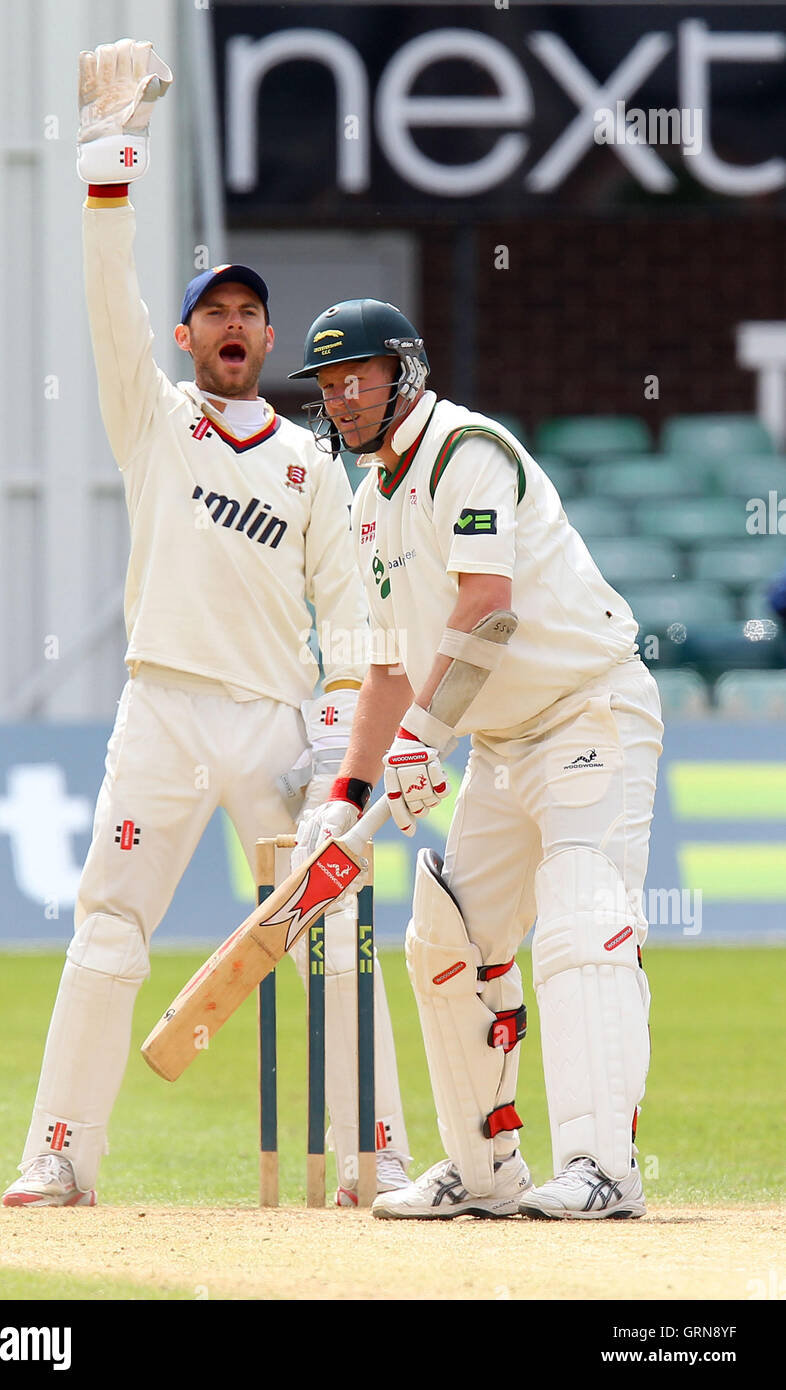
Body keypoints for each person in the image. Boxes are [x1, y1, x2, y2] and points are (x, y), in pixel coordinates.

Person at [1, 41, 410, 1209]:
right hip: (162, 709)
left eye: (249, 313)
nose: (231, 326)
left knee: (332, 928)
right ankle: (62, 1153)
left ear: (269, 342)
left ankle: (368, 1154)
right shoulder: (155, 420)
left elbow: (350, 602)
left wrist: (342, 729)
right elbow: (104, 291)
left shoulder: (307, 464)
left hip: (275, 725)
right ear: (187, 339)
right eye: (212, 313)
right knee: (111, 927)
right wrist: (106, 155)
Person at [292, 298, 664, 1219]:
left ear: (405, 372)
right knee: (448, 940)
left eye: (358, 379)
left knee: (582, 921)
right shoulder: (368, 497)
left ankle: (603, 1169)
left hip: (587, 710)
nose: (340, 401)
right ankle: (486, 1171)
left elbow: (488, 607)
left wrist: (427, 734)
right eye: (329, 387)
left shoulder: (468, 453)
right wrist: (348, 797)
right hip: (499, 739)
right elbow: (385, 670)